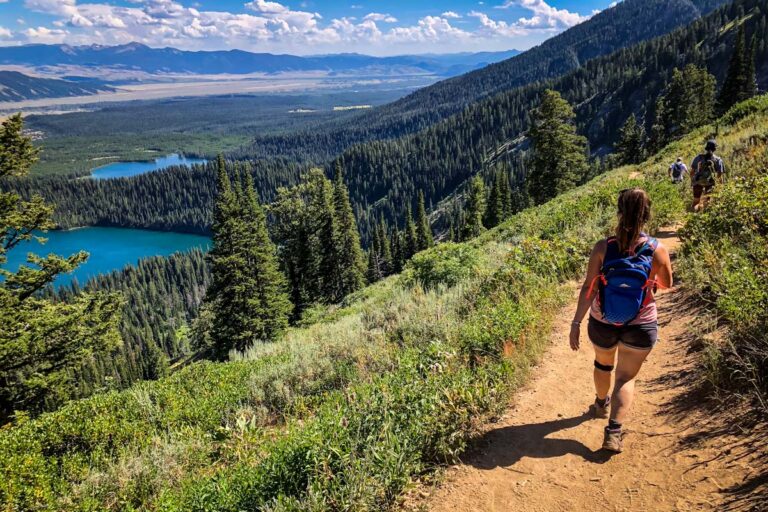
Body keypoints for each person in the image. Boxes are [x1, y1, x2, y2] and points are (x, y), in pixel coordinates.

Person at [569, 188, 673, 453]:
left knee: (603, 365)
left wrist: (576, 323)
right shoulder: (657, 249)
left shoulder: (604, 247)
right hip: (641, 324)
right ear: (647, 215)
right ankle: (613, 433)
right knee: (625, 377)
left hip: (603, 321)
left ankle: (600, 403)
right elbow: (667, 283)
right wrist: (649, 281)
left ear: (618, 212)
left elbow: (588, 288)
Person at [690, 140, 725, 211]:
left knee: (696, 200)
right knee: (707, 201)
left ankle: (693, 214)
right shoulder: (718, 160)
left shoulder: (698, 157)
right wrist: (720, 186)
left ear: (706, 148)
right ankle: (703, 216)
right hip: (710, 183)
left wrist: (693, 181)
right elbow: (719, 175)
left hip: (698, 182)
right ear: (715, 149)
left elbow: (692, 172)